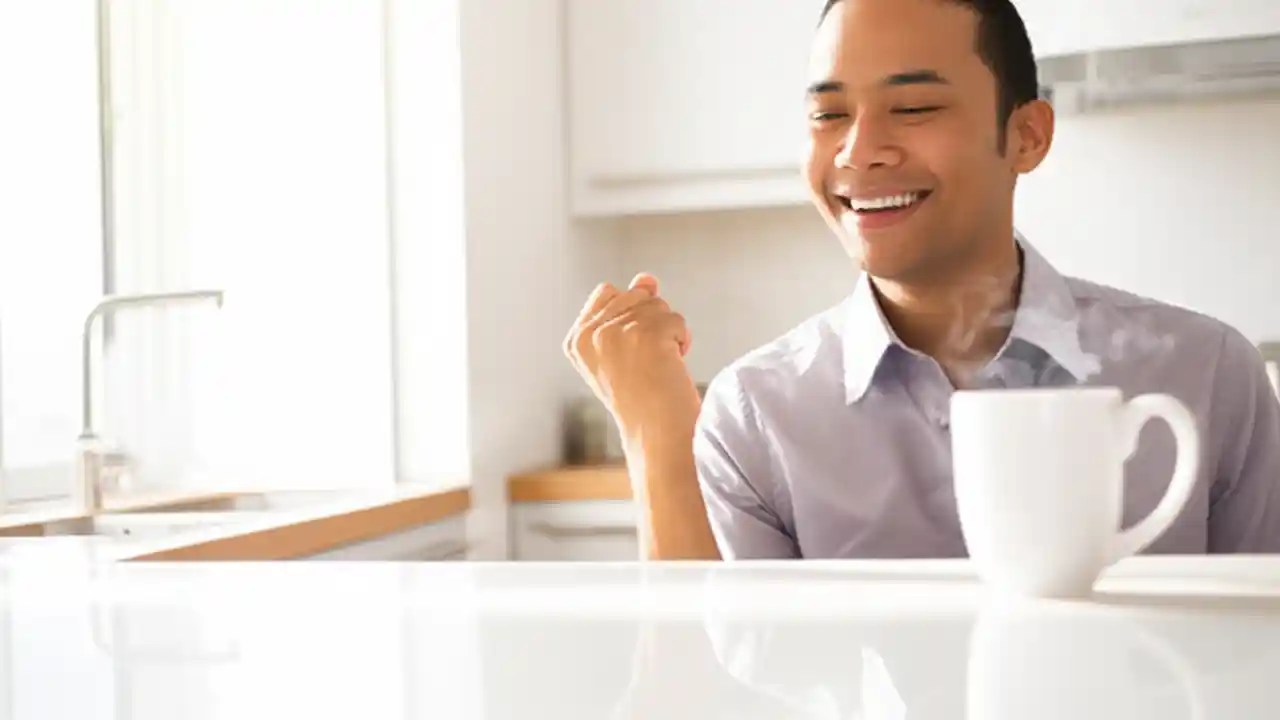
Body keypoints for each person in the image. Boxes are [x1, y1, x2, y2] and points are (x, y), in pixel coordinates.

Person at [564, 0, 1280, 560]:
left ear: (1026, 136)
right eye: (828, 114)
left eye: (913, 108)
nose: (860, 150)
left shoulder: (1208, 377)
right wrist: (657, 431)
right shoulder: (756, 418)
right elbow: (723, 691)